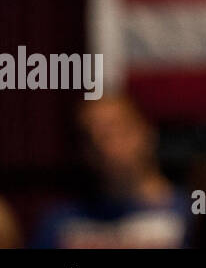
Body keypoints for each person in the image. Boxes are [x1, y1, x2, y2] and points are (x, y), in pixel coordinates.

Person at [31, 95, 191, 248]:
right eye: (89, 136)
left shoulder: (193, 213)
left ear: (147, 132)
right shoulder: (59, 222)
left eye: (114, 129)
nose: (102, 144)